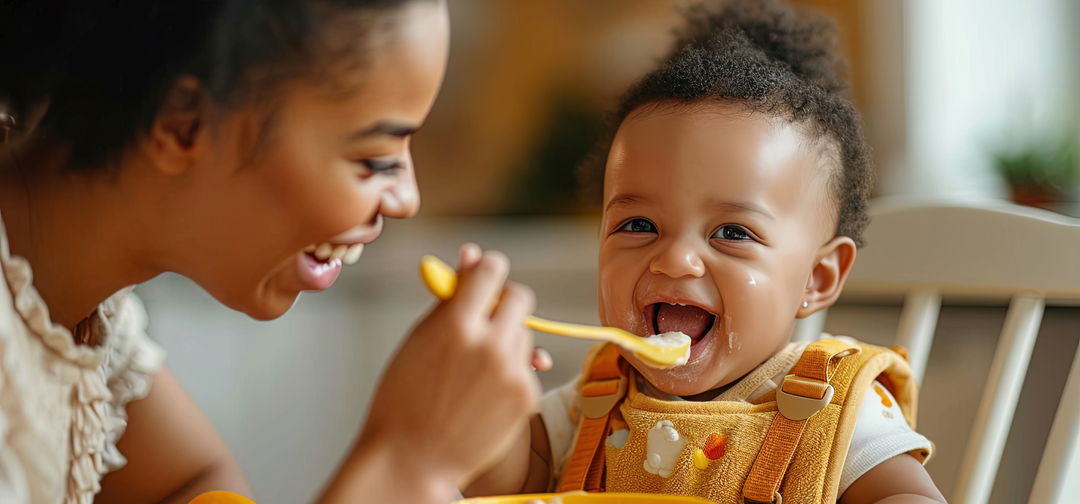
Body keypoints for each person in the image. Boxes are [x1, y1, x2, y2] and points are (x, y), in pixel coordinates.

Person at [0, 1, 549, 503]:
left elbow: (189, 482)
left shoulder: (84, 318)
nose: (408, 199)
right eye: (374, 158)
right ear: (184, 124)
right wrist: (408, 466)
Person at [462, 1, 947, 503]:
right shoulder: (597, 398)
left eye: (731, 233)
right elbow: (513, 485)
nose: (674, 260)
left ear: (817, 278)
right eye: (639, 225)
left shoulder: (836, 408)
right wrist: (488, 412)